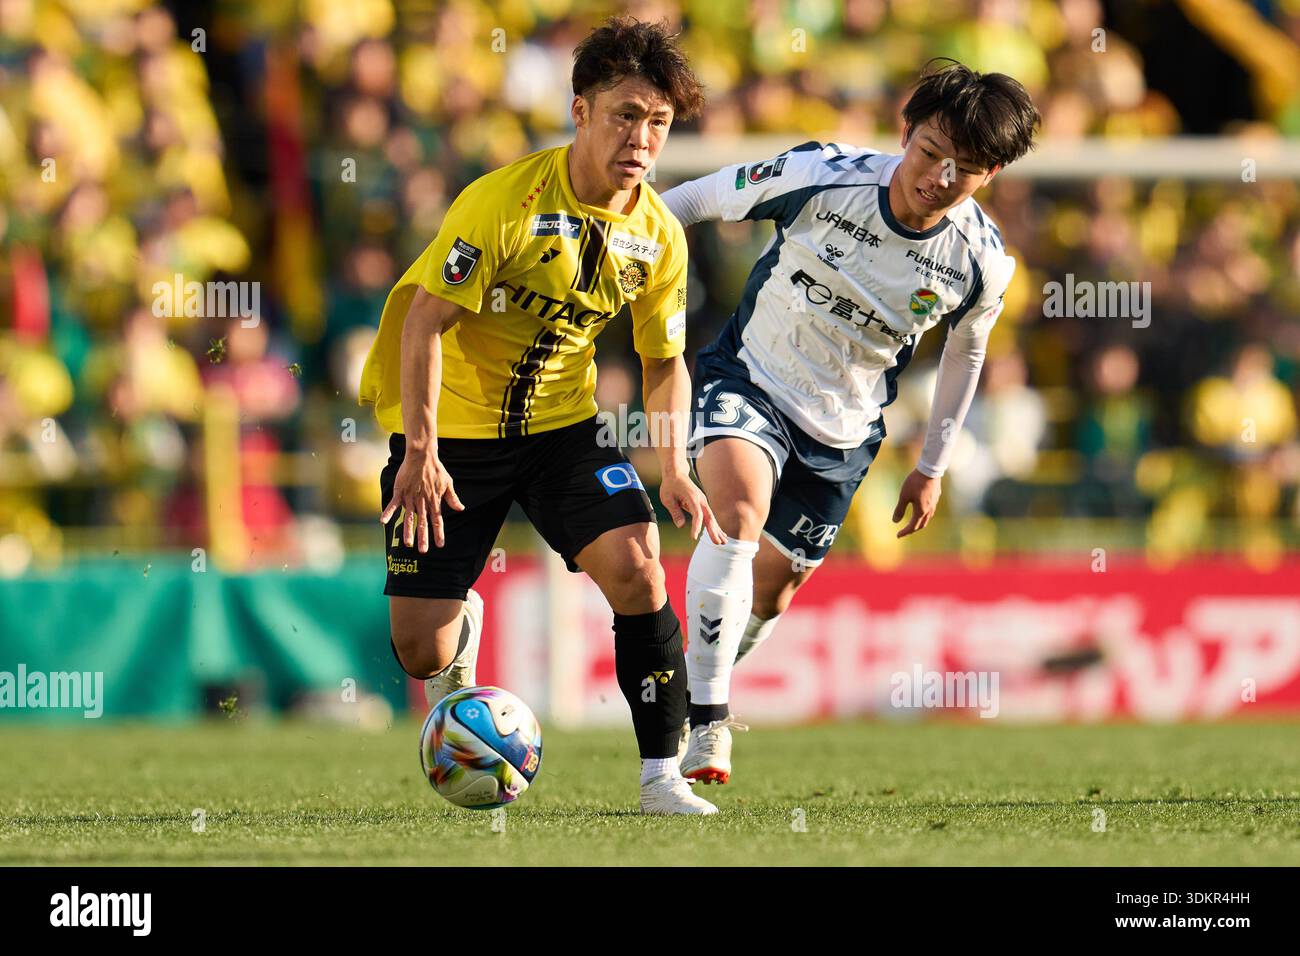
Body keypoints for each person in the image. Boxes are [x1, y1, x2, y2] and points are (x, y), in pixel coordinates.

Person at [358, 17, 724, 814]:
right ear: (581, 110)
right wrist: (421, 450)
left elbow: (664, 362)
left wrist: (677, 469)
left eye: (658, 122)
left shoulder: (659, 237)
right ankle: (460, 627)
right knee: (420, 651)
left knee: (639, 568)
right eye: (625, 114)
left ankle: (660, 776)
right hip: (452, 432)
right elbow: (425, 324)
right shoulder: (502, 204)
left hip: (564, 429)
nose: (642, 137)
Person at [661, 60, 1040, 783]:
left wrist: (932, 466)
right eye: (929, 152)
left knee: (773, 591)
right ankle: (709, 723)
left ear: (988, 175)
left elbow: (966, 354)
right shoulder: (822, 173)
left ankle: (682, 683)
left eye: (962, 169)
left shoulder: (982, 263)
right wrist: (637, 285)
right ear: (907, 131)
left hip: (844, 430)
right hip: (751, 377)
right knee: (738, 513)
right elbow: (688, 202)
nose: (936, 177)